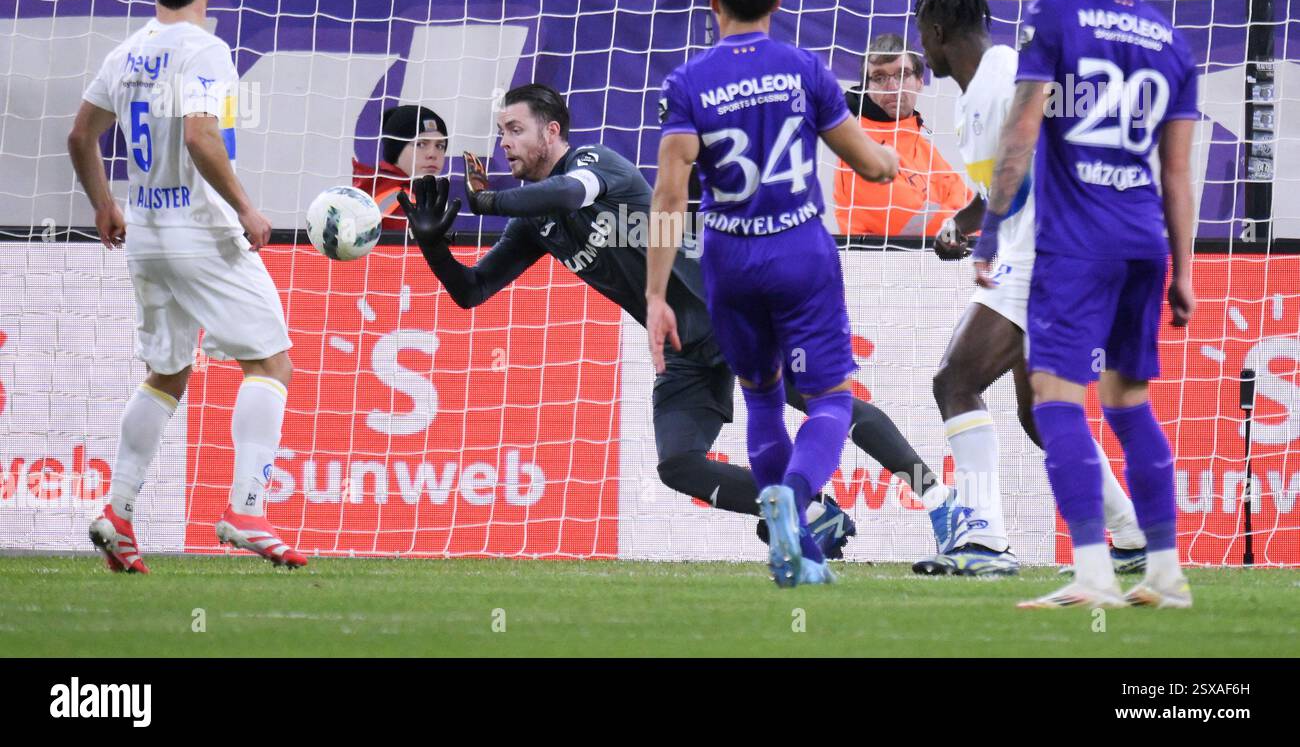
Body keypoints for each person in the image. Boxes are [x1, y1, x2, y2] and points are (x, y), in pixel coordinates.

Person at [398, 83, 963, 565]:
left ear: (552, 132)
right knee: (678, 463)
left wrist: (487, 202)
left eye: (515, 129)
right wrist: (432, 246)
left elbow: (572, 192)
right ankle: (810, 512)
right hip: (683, 348)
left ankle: (941, 504)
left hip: (730, 310)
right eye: (500, 133)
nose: (504, 143)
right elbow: (472, 291)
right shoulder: (536, 219)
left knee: (826, 401)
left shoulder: (594, 164)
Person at [646, 0, 910, 588]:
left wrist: (656, 297)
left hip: (730, 262)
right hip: (800, 253)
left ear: (713, 4)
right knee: (831, 401)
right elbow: (871, 165)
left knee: (762, 399)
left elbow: (670, 196)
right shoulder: (803, 70)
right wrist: (894, 160)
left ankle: (801, 558)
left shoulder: (687, 83)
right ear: (778, 1)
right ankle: (792, 498)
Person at [971, 0, 1199, 609]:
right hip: (1145, 242)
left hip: (1076, 245)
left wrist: (988, 229)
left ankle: (1096, 570)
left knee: (1055, 397)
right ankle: (1165, 570)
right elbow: (1178, 171)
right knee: (1129, 400)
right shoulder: (1173, 40)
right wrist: (1185, 271)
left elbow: (1022, 132)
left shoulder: (1056, 16)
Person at [66, 0, 304, 572]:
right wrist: (245, 207)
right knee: (270, 364)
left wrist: (102, 203)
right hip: (201, 230)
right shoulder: (207, 50)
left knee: (167, 374)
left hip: (144, 231)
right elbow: (202, 137)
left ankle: (118, 511)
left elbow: (80, 135)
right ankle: (246, 509)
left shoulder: (125, 53)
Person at [912, 0, 1148, 578]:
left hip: (1051, 254)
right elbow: (1002, 184)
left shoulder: (1007, 73)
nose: (923, 49)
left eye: (922, 36)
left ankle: (985, 541)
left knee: (954, 380)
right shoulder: (975, 93)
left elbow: (1044, 155)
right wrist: (961, 223)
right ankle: (1131, 535)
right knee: (1041, 412)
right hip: (1040, 249)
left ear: (936, 33)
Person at [833, 35, 971, 238]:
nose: (892, 86)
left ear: (919, 81)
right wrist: (957, 215)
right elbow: (912, 224)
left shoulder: (924, 148)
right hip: (881, 268)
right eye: (879, 78)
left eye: (902, 74)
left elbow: (967, 202)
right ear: (866, 88)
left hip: (935, 266)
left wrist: (957, 217)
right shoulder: (858, 149)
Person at [353, 104, 450, 229]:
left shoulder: (378, 187)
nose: (432, 154)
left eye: (439, 146)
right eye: (420, 144)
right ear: (396, 150)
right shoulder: (399, 201)